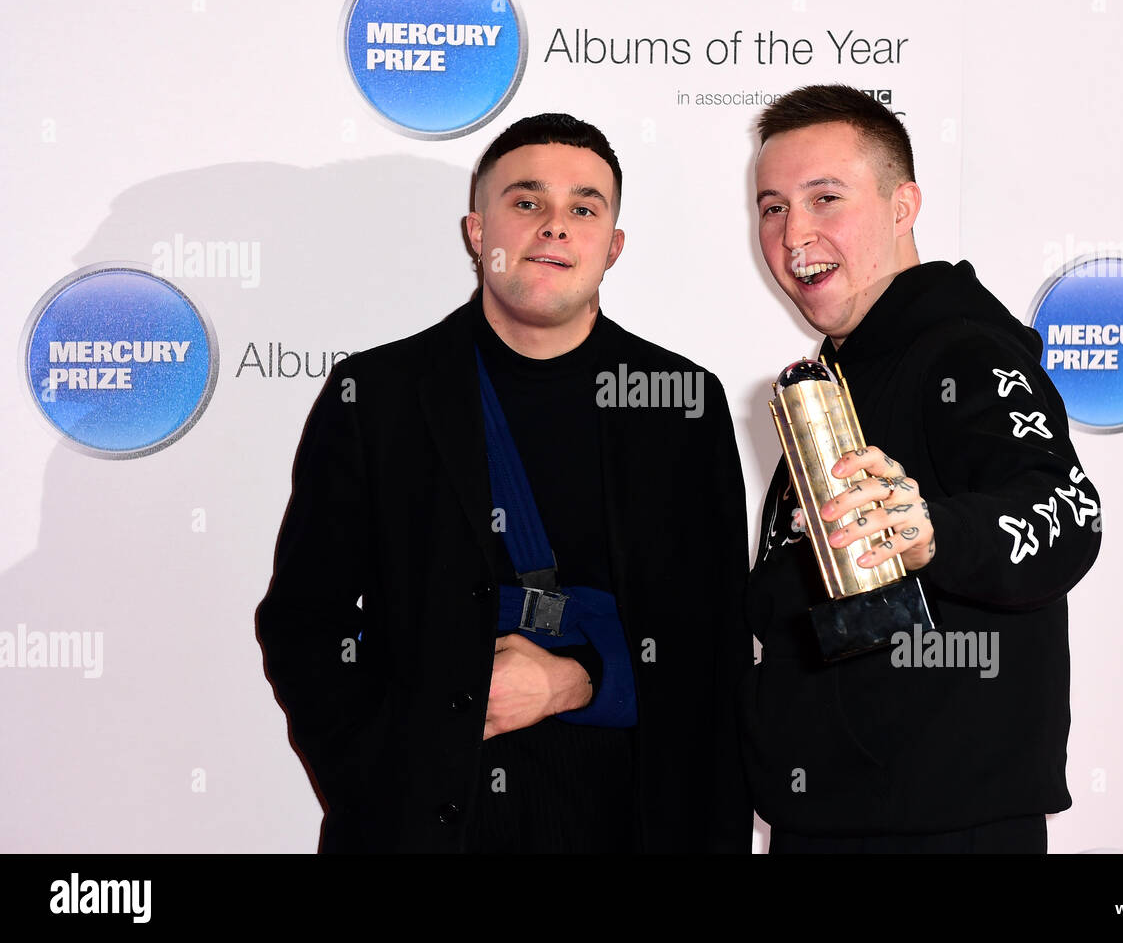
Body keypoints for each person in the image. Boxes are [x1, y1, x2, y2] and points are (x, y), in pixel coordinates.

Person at [255, 113, 752, 853]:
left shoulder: (680, 400)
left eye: (584, 208)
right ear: (475, 231)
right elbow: (304, 622)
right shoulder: (378, 395)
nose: (555, 226)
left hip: (629, 819)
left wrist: (580, 679)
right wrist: (383, 782)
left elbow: (711, 641)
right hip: (428, 826)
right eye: (526, 203)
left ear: (612, 246)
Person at [741, 84, 1103, 854]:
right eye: (772, 207)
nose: (794, 231)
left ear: (903, 205)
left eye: (825, 197)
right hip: (820, 820)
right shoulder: (837, 380)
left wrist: (932, 532)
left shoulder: (964, 351)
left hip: (940, 831)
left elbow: (1066, 512)